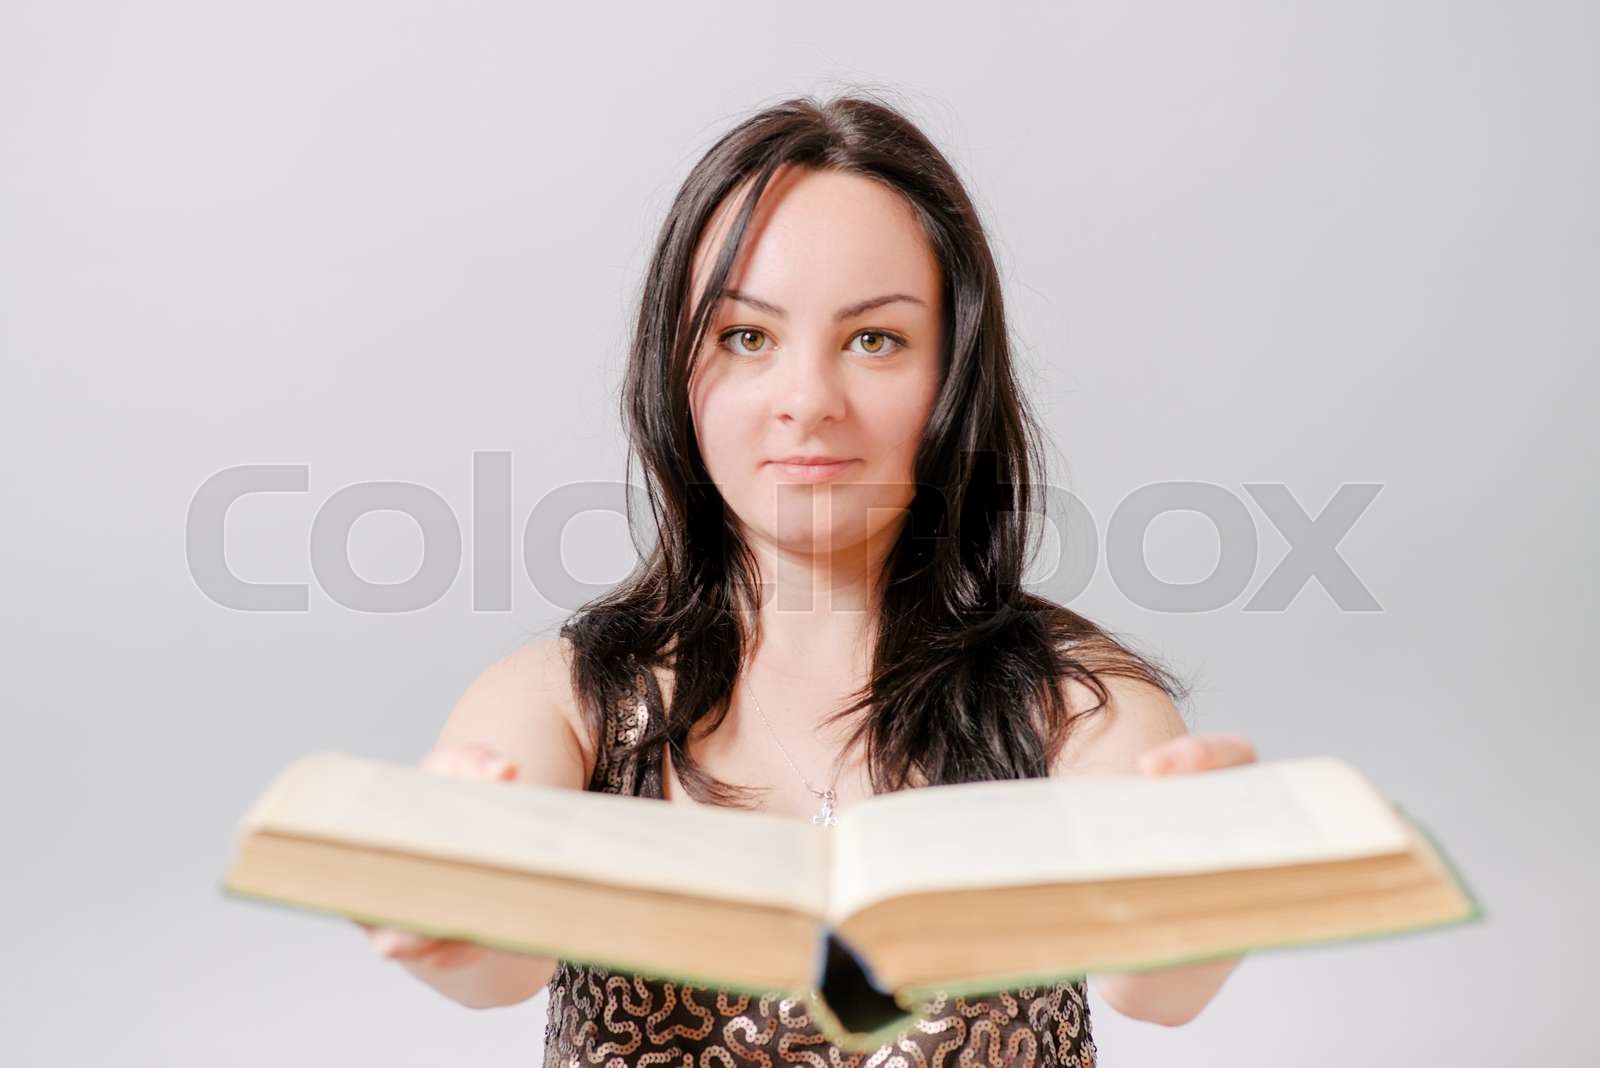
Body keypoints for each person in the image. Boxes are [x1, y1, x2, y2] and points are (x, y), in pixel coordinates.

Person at [357, 92, 1259, 1065]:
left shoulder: (1074, 702)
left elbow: (1157, 984)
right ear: (677, 368)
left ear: (952, 373)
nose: (808, 401)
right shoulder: (566, 701)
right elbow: (496, 961)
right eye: (746, 338)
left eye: (874, 339)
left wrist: (1191, 895)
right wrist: (447, 908)